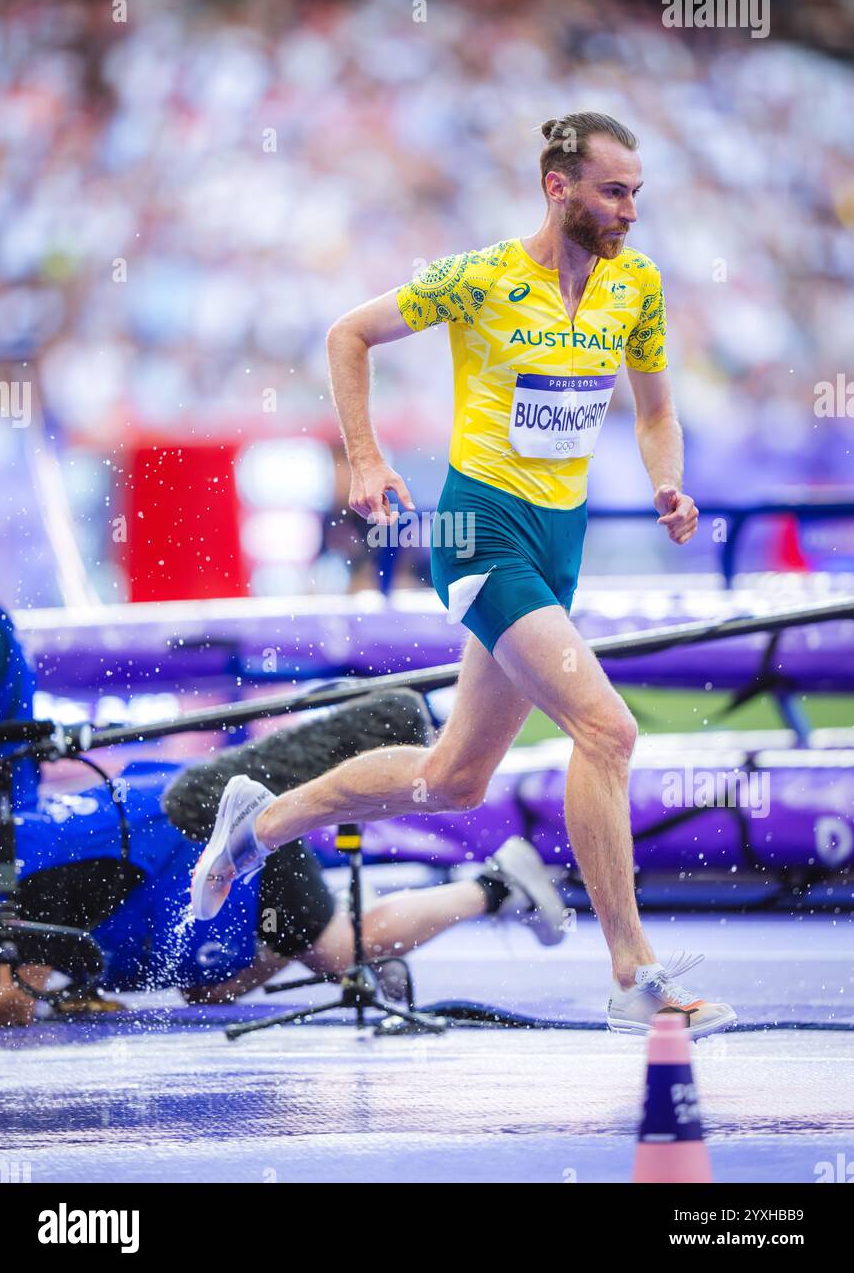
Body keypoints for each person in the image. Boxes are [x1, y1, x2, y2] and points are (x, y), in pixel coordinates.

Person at [191, 111, 736, 1039]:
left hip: (558, 543)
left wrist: (668, 479)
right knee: (605, 730)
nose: (630, 211)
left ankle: (259, 825)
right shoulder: (480, 277)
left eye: (638, 192)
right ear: (556, 187)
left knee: (454, 780)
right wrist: (363, 460)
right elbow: (347, 334)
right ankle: (634, 973)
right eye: (613, 191)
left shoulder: (636, 286)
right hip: (480, 531)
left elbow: (654, 414)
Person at [0, 767, 571, 1028]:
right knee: (210, 990)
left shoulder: (31, 881)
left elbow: (13, 1000)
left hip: (218, 826)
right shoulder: (16, 854)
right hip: (181, 827)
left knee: (341, 950)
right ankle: (293, 933)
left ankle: (496, 887)